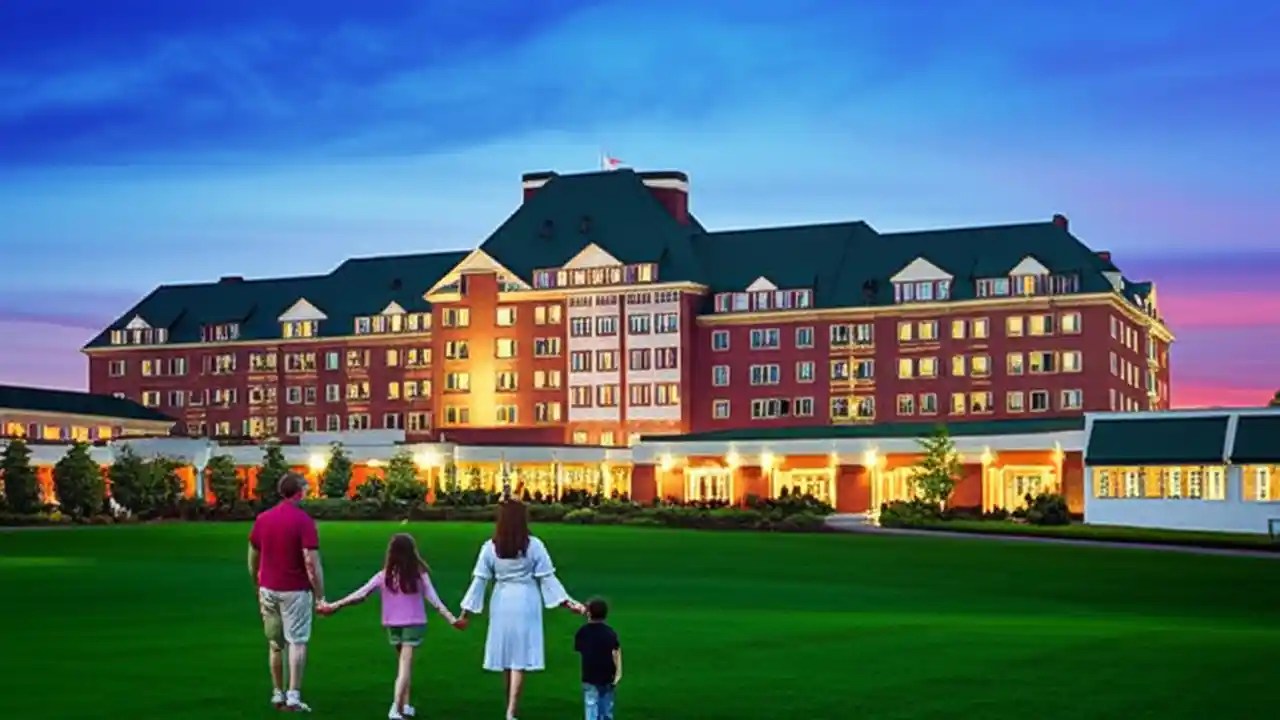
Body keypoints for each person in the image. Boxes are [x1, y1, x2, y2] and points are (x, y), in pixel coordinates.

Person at [458, 500, 585, 720]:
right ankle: (512, 709)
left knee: (508, 654)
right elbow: (547, 577)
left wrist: (465, 613)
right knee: (519, 657)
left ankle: (510, 706)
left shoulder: (490, 547)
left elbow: (479, 582)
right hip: (526, 600)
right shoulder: (533, 545)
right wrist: (568, 602)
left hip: (502, 600)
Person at [318, 533, 465, 720]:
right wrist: (452, 619)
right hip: (413, 623)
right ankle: (396, 707)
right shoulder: (419, 575)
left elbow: (360, 594)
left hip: (392, 624)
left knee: (404, 665)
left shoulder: (384, 576)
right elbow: (434, 600)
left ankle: (405, 705)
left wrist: (334, 606)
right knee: (405, 666)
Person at [248, 472, 325, 712]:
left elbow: (252, 556)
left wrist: (257, 581)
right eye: (306, 487)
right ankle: (293, 695)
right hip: (295, 590)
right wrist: (320, 594)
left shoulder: (263, 519)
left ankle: (277, 693)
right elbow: (311, 562)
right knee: (297, 641)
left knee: (275, 643)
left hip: (268, 588)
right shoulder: (303, 521)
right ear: (299, 491)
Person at [575, 598, 622, 720]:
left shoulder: (583, 632)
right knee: (606, 706)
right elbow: (615, 652)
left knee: (591, 704)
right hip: (608, 675)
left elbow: (580, 649)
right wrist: (618, 673)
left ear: (589, 613)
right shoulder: (610, 632)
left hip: (590, 675)